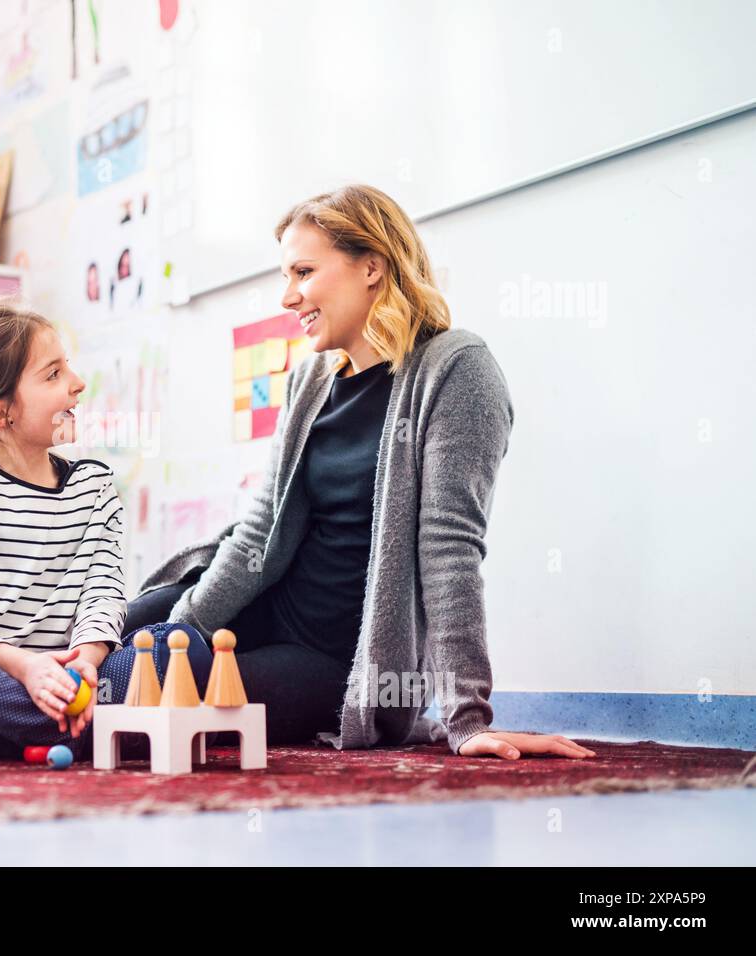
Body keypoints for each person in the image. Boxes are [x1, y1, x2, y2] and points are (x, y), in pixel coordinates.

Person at [126, 185, 594, 762]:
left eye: (303, 272)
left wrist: (466, 720)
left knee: (142, 699)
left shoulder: (457, 370)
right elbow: (259, 530)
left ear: (371, 266)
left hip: (336, 662)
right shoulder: (311, 380)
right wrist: (182, 628)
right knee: (117, 637)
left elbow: (450, 549)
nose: (287, 297)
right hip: (263, 610)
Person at [0, 296, 211, 762]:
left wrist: (87, 663)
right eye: (53, 375)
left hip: (77, 679)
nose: (77, 384)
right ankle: (79, 731)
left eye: (66, 367)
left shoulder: (94, 484)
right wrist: (27, 668)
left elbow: (103, 592)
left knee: (187, 648)